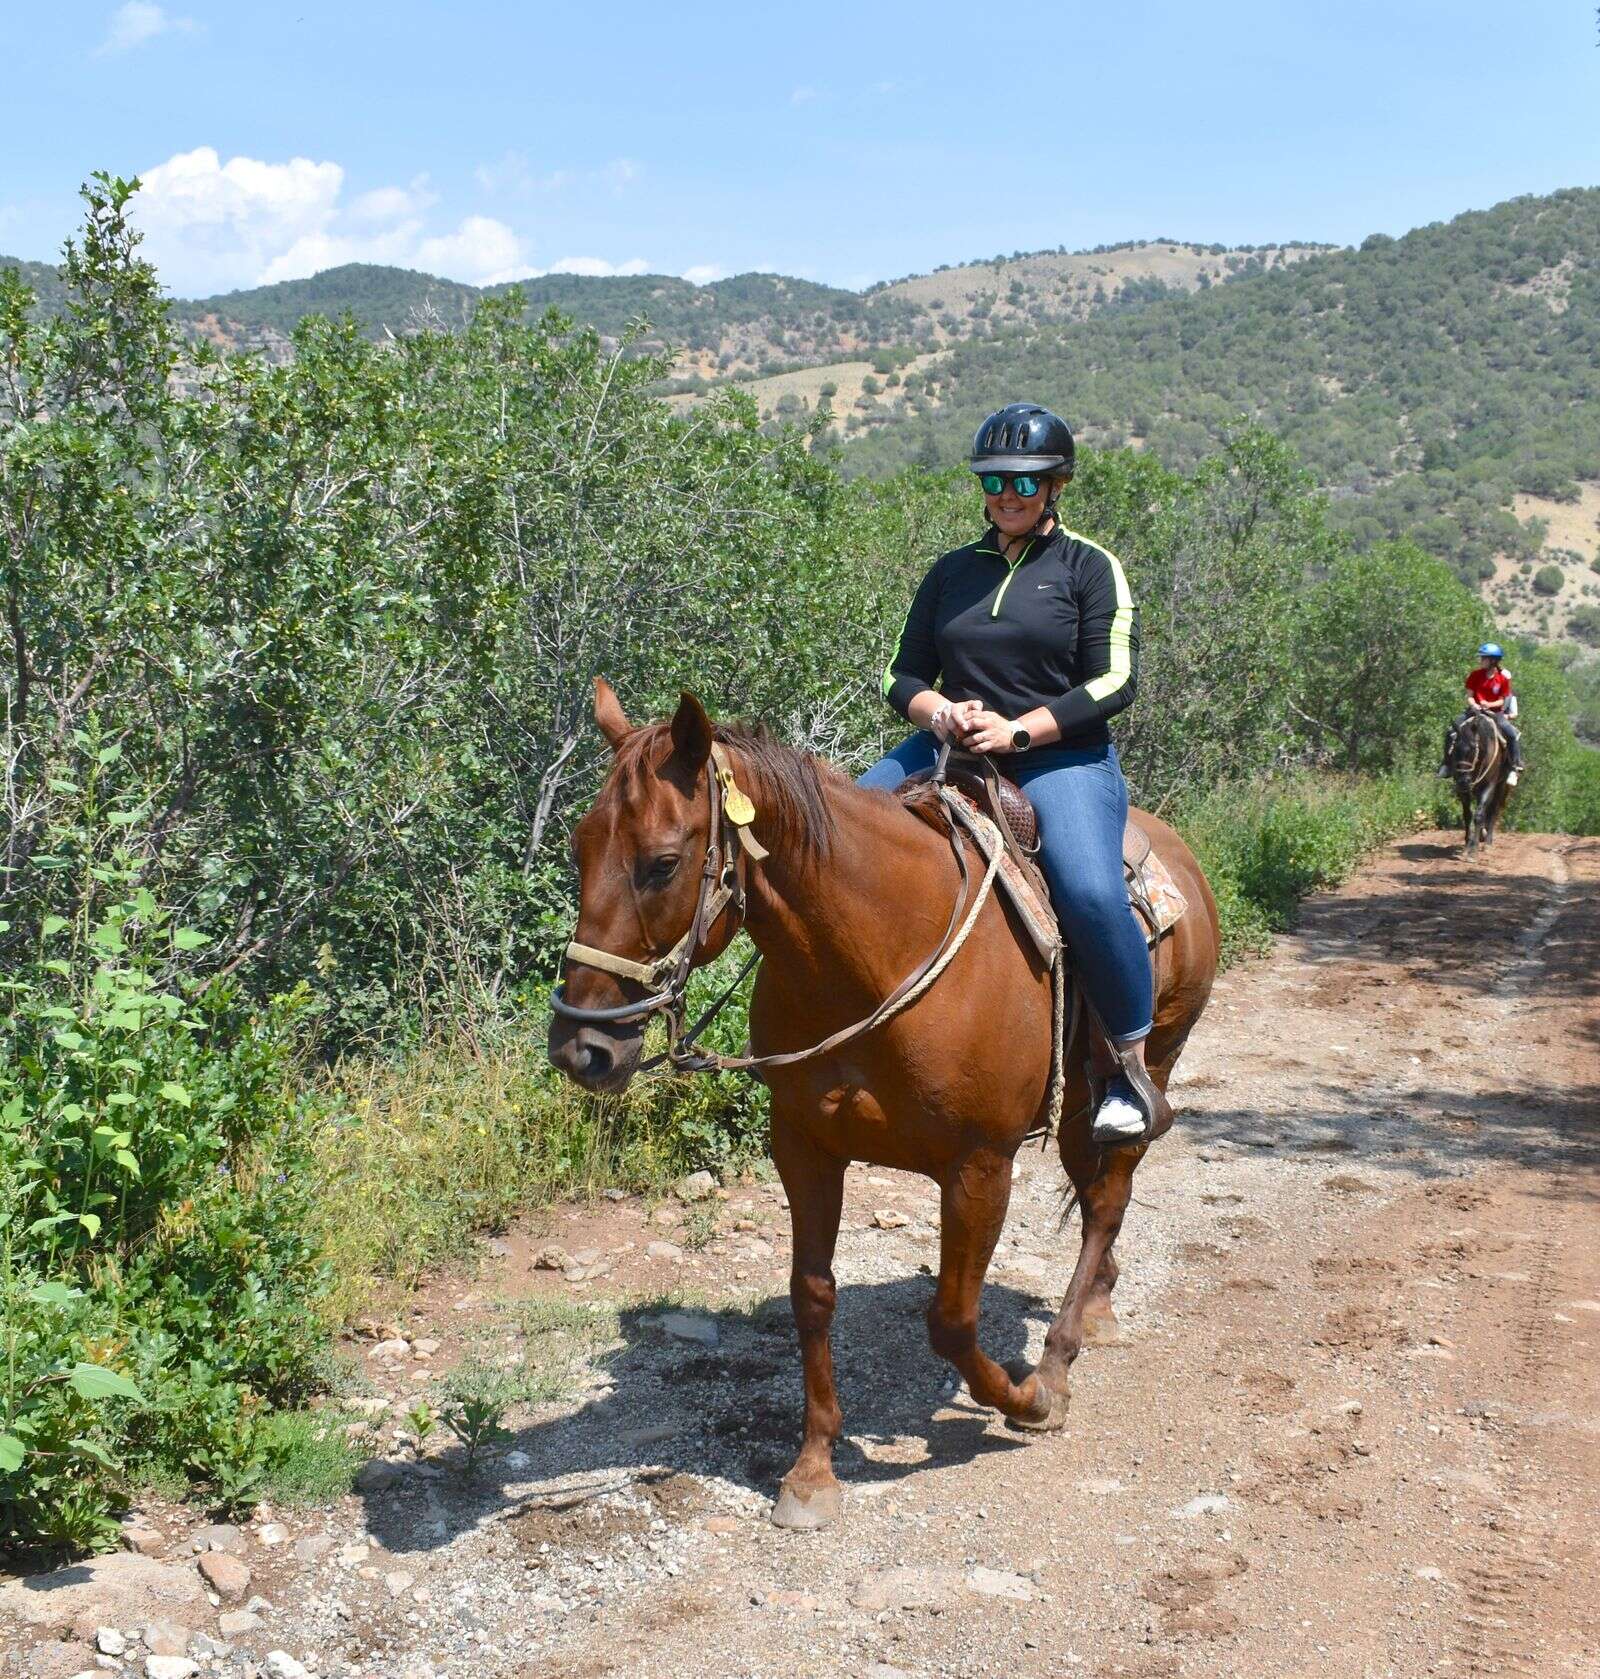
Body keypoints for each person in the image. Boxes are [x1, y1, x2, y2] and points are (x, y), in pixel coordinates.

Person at [860, 402, 1154, 1145]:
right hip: (949, 748)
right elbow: (900, 673)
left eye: (1024, 481)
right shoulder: (952, 571)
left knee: (1089, 889)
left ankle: (1127, 1067)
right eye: (993, 479)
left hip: (1060, 756)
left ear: (1056, 485)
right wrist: (940, 714)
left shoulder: (1089, 567)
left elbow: (1116, 680)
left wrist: (1019, 728)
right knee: (838, 833)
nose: (1007, 494)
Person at [1441, 643, 1523, 785]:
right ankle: (1446, 765)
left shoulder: (1502, 680)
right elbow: (1470, 696)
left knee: (1511, 734)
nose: (1480, 661)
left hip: (1495, 714)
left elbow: (1502, 701)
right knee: (1450, 732)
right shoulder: (1474, 675)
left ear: (1493, 661)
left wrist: (1489, 705)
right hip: (1474, 711)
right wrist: (1474, 705)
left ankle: (1514, 768)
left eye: (1483, 658)